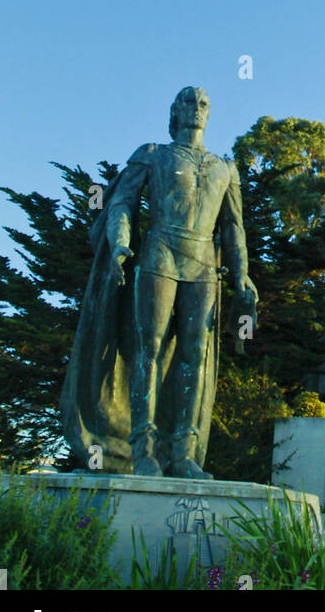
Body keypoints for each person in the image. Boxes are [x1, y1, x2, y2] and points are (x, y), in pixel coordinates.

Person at [60, 86, 257, 478]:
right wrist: (119, 243)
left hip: (203, 266)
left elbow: (234, 227)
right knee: (145, 351)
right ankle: (143, 450)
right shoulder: (153, 154)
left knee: (194, 356)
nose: (197, 109)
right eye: (190, 102)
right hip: (159, 255)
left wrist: (241, 274)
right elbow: (120, 204)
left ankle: (183, 454)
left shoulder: (225, 168)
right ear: (175, 110)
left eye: (204, 104)